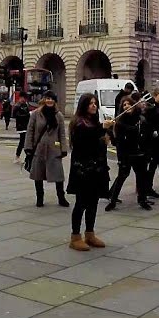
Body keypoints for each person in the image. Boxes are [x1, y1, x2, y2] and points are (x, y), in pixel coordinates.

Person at [67, 93, 109, 252]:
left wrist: (106, 136)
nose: (94, 106)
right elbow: (85, 141)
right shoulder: (79, 123)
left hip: (96, 168)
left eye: (95, 103)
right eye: (90, 103)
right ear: (84, 105)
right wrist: (101, 130)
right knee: (81, 203)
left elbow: (98, 142)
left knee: (93, 202)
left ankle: (90, 233)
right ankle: (75, 237)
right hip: (83, 170)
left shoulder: (93, 122)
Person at [106, 91, 151, 211]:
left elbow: (146, 137)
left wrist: (146, 153)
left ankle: (142, 200)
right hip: (126, 154)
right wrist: (121, 158)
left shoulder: (141, 119)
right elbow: (119, 142)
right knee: (122, 176)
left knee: (141, 177)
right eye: (124, 105)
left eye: (128, 104)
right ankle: (113, 200)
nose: (126, 106)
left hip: (139, 153)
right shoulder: (120, 122)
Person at [25, 91, 69, 208]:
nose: (50, 101)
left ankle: (61, 197)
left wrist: (63, 149)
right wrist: (28, 147)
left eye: (52, 99)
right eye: (47, 98)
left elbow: (62, 134)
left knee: (58, 175)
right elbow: (30, 131)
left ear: (55, 101)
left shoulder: (58, 115)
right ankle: (40, 197)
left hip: (54, 149)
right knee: (38, 175)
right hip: (39, 148)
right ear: (44, 100)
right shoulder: (36, 114)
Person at [140, 89, 159, 199]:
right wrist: (154, 132)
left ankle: (155, 187)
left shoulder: (158, 108)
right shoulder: (152, 108)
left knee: (158, 166)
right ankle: (153, 188)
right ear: (155, 96)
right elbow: (149, 124)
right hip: (152, 144)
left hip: (157, 143)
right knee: (156, 166)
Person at [13, 97, 31, 164]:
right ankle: (17, 156)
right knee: (22, 142)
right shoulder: (17, 106)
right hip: (21, 126)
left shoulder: (26, 105)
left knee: (25, 142)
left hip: (26, 126)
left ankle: (23, 157)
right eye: (22, 98)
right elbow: (15, 115)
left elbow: (27, 114)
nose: (23, 99)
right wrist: (27, 115)